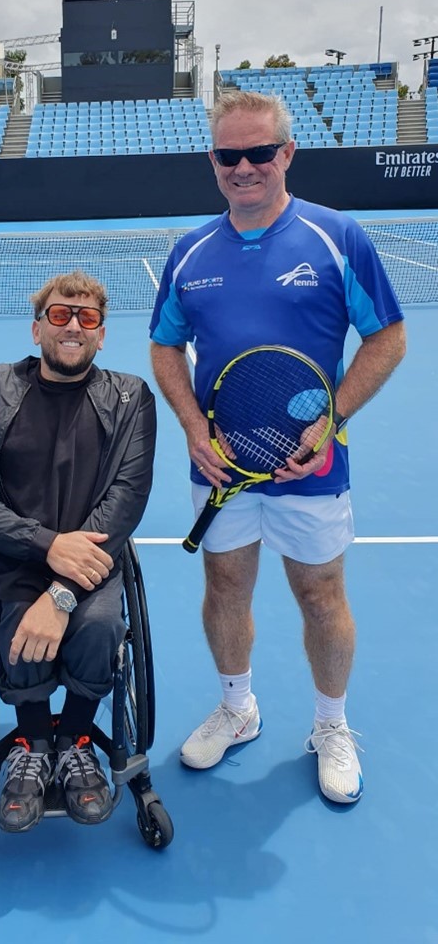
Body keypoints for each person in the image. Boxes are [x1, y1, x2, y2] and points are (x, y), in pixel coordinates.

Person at [150, 89, 405, 804]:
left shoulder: (336, 238)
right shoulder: (189, 251)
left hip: (311, 467)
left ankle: (330, 725)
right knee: (225, 585)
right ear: (212, 161)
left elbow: (387, 336)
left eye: (259, 152)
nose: (244, 167)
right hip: (221, 462)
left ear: (286, 153)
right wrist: (193, 428)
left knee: (319, 593)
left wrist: (333, 415)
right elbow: (165, 346)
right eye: (229, 155)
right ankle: (237, 708)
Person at [0, 271, 156, 832]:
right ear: (37, 328)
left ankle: (75, 740)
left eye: (87, 318)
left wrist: (60, 592)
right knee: (16, 627)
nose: (73, 326)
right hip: (10, 558)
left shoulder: (131, 398)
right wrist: (45, 545)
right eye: (60, 316)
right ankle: (35, 743)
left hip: (92, 563)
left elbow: (126, 500)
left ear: (102, 336)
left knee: (102, 625)